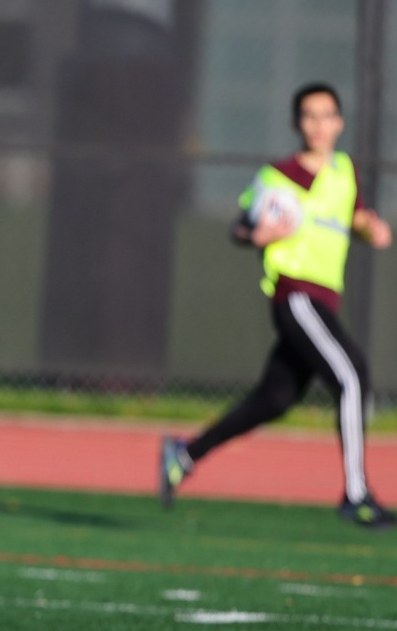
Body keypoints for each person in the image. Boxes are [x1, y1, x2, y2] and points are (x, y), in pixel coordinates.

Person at [160, 83, 393, 528]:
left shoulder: (344, 172)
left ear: (339, 124)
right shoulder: (276, 178)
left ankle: (184, 455)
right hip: (296, 296)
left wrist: (370, 229)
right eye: (309, 116)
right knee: (351, 374)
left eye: (327, 116)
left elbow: (354, 217)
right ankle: (356, 494)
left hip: (323, 299)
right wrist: (256, 236)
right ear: (296, 124)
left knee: (275, 398)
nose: (319, 125)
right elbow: (239, 228)